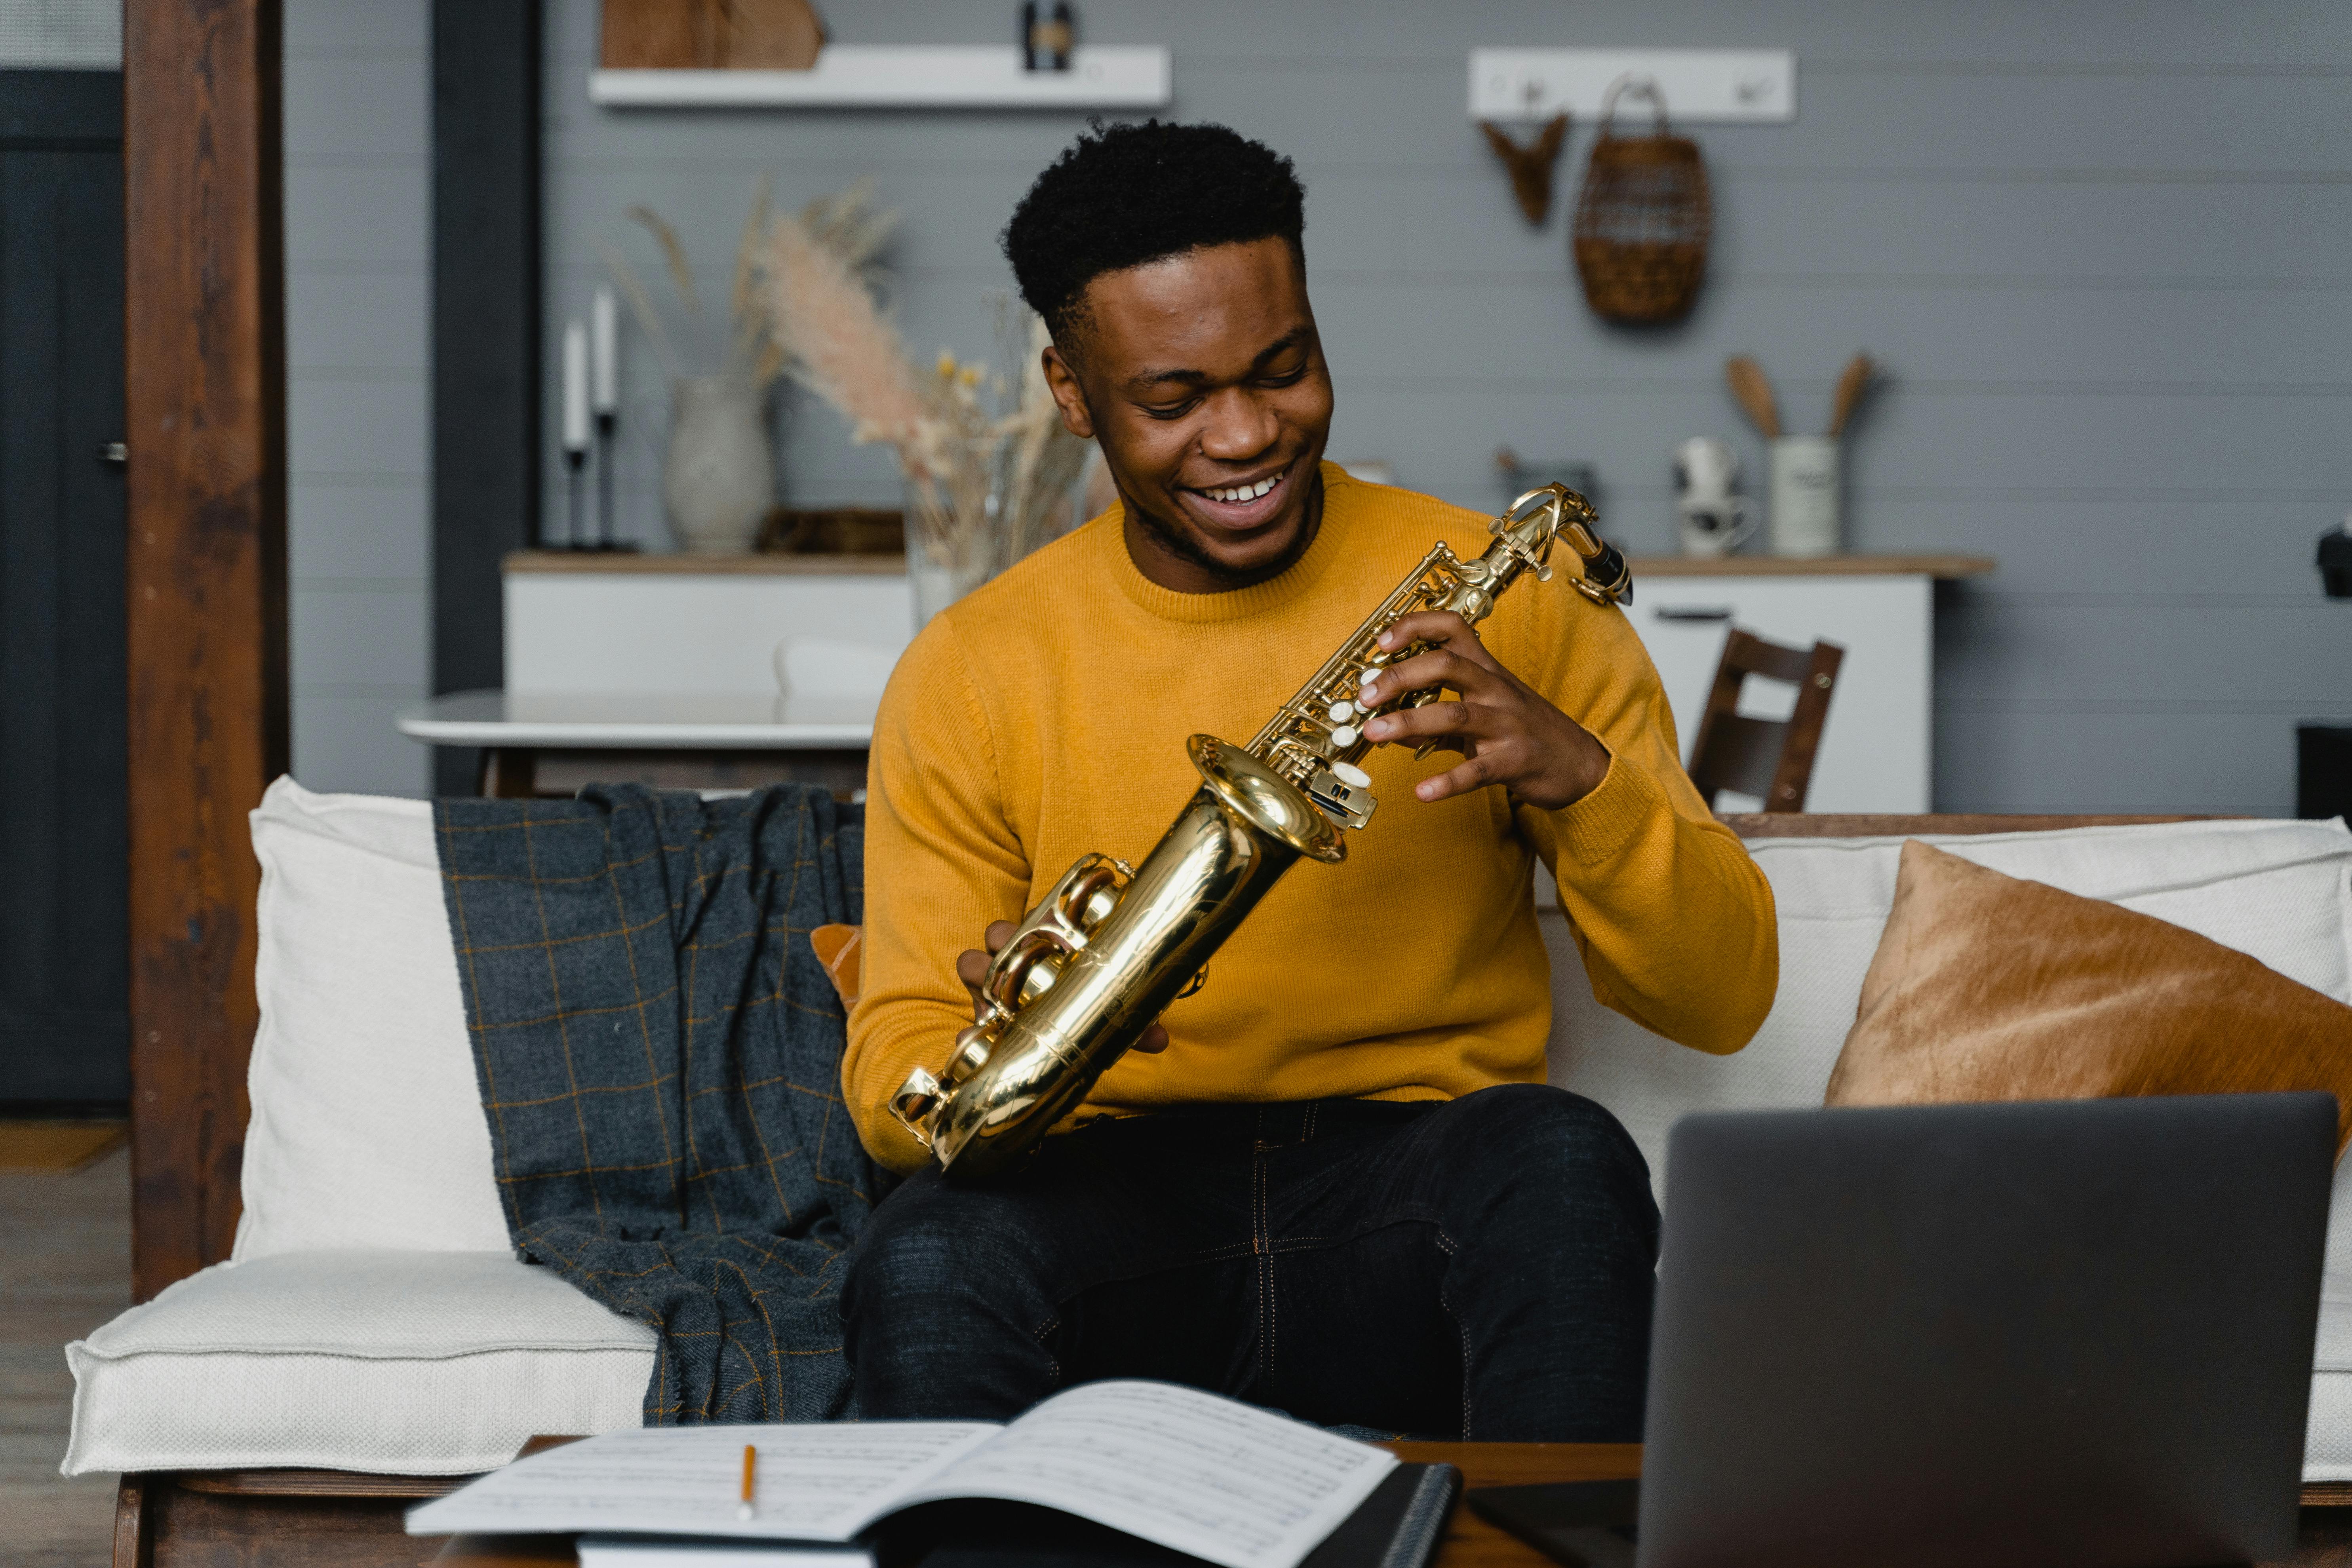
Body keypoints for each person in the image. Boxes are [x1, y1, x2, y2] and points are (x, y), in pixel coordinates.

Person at [839, 121, 1776, 1441]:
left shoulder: (1515, 595)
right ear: (1069, 389)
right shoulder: (968, 671)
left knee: (1562, 1160)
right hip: (1113, 1194)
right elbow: (893, 1076)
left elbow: (1727, 996)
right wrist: (1003, 1038)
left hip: (1412, 1191)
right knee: (925, 1249)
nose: (1244, 435)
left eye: (1284, 369)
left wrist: (1581, 778)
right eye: (1172, 401)